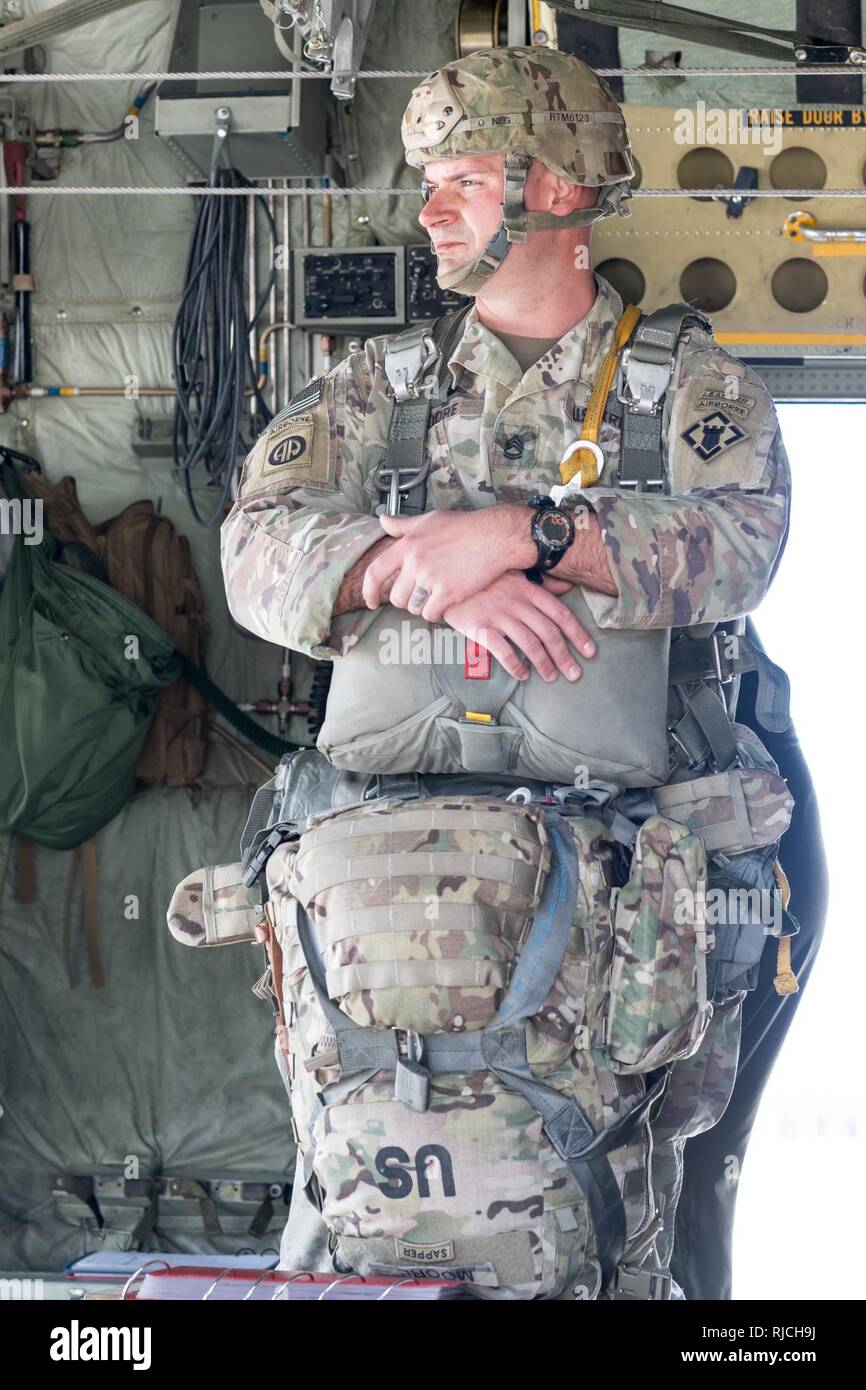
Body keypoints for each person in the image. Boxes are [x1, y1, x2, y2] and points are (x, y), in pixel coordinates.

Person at [220, 45, 796, 1298]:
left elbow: (741, 546)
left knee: (654, 1189)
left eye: (465, 177)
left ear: (561, 187)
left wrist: (533, 533)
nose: (428, 207)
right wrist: (402, 564)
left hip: (633, 895)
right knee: (372, 1176)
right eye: (425, 179)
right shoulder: (376, 390)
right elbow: (255, 552)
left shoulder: (691, 391)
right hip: (401, 904)